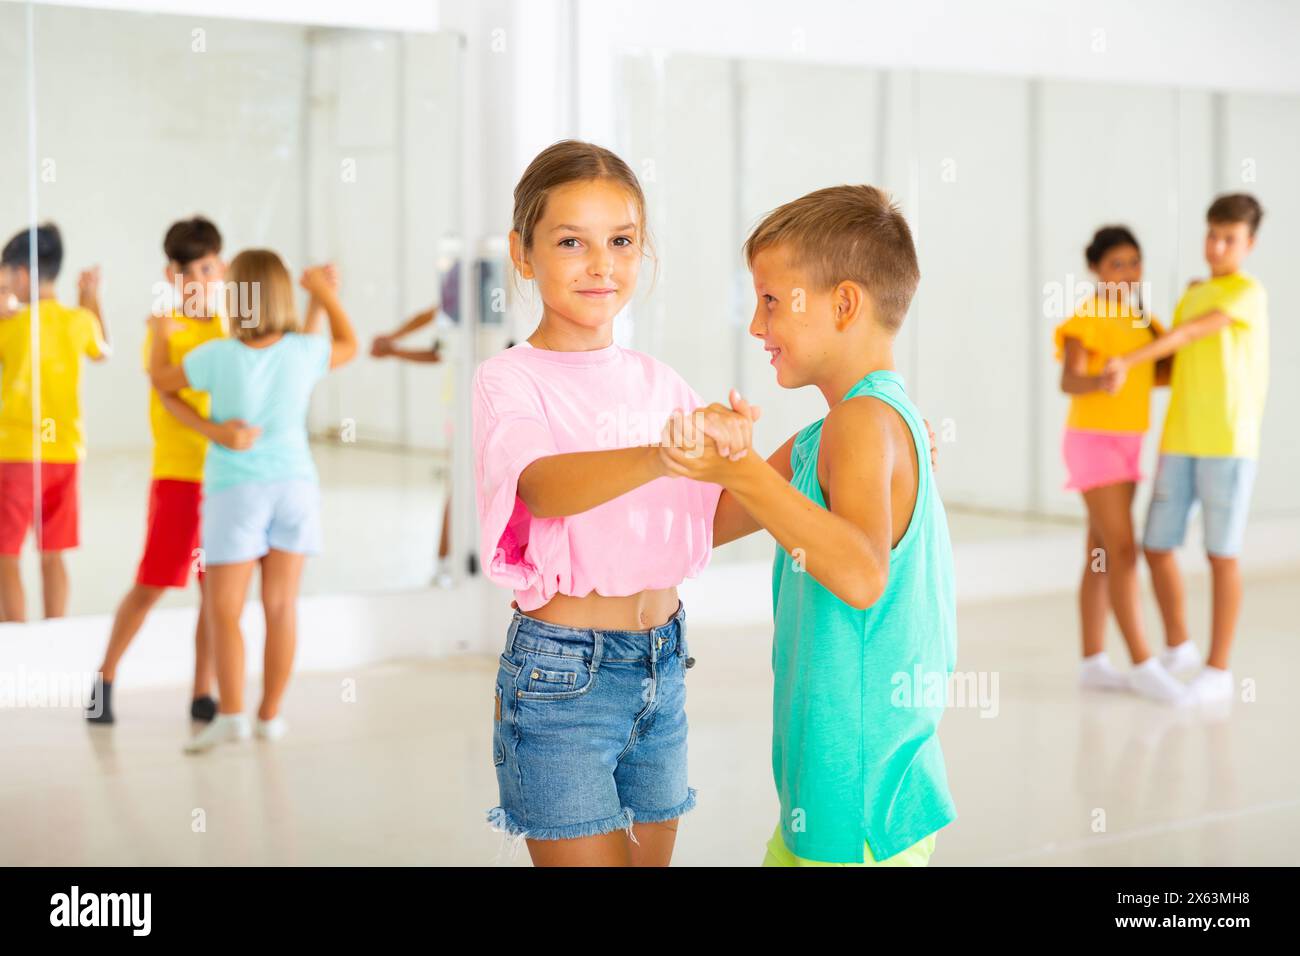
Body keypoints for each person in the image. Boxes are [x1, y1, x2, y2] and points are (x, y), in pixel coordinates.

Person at [661, 184, 956, 865]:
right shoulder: (823, 438)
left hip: (857, 808)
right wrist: (706, 452)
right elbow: (702, 525)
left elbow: (862, 574)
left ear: (844, 304)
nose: (756, 326)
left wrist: (741, 469)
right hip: (827, 798)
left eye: (771, 301)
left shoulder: (863, 422)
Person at [147, 251, 357, 753]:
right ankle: (269, 716)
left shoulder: (217, 356)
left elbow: (162, 381)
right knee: (281, 606)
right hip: (295, 489)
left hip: (235, 492)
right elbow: (348, 343)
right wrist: (323, 294)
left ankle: (233, 715)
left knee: (224, 609)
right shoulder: (304, 351)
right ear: (284, 295)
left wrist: (159, 333)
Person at [89, 217, 260, 725]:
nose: (200, 281)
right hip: (179, 478)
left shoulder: (232, 326)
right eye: (189, 273)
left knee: (214, 592)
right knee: (153, 582)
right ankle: (104, 679)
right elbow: (165, 394)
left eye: (208, 269)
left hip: (225, 479)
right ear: (172, 275)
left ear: (221, 268)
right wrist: (214, 431)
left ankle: (202, 692)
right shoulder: (164, 326)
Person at [1103, 193, 1268, 706]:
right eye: (1212, 234)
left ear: (1249, 244)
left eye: (1229, 239)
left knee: (1221, 554)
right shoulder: (1194, 291)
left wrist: (1129, 361)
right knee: (1156, 545)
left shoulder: (1247, 292)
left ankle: (1218, 669)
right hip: (1179, 440)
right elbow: (1175, 359)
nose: (1216, 246)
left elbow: (1188, 336)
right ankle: (1179, 647)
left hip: (1227, 442)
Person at [1054, 225, 1186, 704]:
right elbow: (1069, 380)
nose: (1128, 272)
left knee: (1101, 551)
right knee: (1124, 552)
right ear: (1095, 269)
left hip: (1130, 445)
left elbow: (1166, 369)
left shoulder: (1143, 320)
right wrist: (1100, 383)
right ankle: (1144, 663)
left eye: (1134, 262)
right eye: (1116, 264)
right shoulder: (1088, 317)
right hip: (1094, 443)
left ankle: (1092, 662)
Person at [0, 223, 109, 620]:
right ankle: (56, 634)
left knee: (6, 554)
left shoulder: (9, 323)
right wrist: (90, 299)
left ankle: (13, 636)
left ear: (21, 275)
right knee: (53, 553)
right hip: (63, 452)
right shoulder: (77, 320)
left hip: (15, 453)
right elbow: (102, 351)